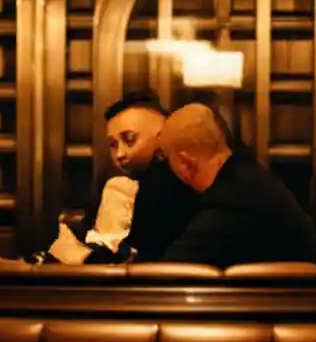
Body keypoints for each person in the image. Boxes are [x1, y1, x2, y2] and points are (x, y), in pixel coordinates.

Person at [156, 103, 316, 267]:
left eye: (166, 159)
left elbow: (171, 270)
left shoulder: (233, 201)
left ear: (187, 164)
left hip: (305, 298)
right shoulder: (244, 178)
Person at [43, 91, 200, 264]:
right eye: (113, 144)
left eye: (130, 139)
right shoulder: (134, 184)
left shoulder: (163, 183)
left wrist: (78, 254)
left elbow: (138, 263)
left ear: (163, 136)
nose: (119, 154)